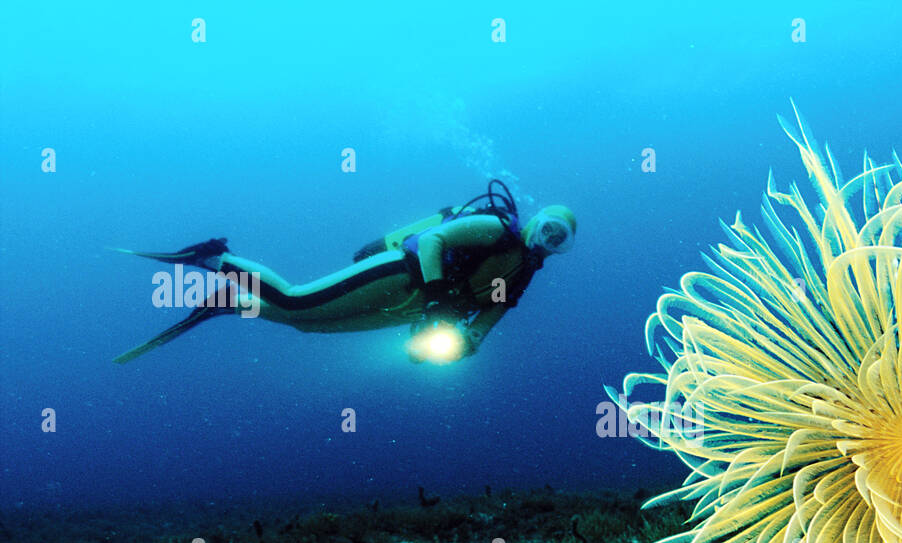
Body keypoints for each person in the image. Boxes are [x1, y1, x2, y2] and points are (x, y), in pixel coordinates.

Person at [113, 180, 575, 364]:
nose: (549, 240)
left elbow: (496, 311)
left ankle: (231, 302)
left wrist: (469, 343)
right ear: (537, 219)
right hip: (400, 275)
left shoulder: (524, 272)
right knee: (296, 300)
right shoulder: (495, 227)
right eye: (550, 229)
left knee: (307, 325)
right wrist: (435, 295)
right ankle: (215, 257)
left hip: (411, 309)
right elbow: (434, 240)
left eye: (560, 240)